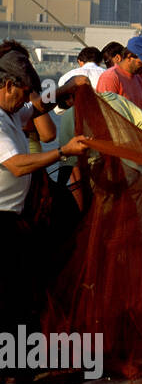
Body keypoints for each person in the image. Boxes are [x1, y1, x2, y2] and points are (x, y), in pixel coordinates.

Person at [0, 51, 90, 335]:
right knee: (7, 295)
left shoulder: (10, 111)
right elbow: (16, 165)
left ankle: (17, 366)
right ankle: (10, 370)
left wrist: (69, 88)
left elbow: (37, 108)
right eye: (23, 93)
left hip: (14, 217)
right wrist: (63, 152)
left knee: (21, 290)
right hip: (1, 220)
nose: (25, 100)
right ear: (8, 85)